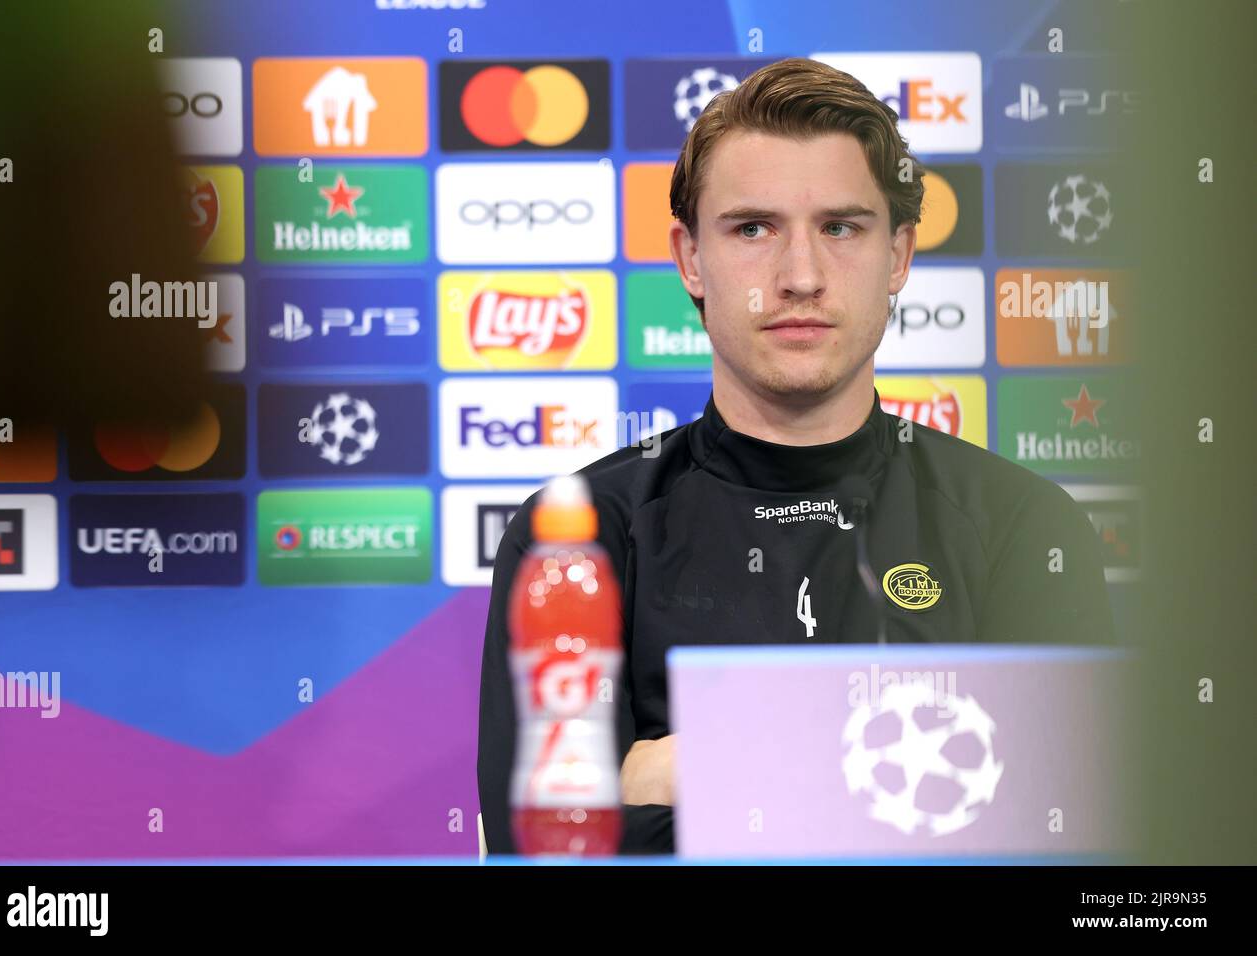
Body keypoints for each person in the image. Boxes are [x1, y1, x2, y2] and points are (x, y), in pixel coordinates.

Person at [477, 57, 1112, 855]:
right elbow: (545, 845)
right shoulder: (577, 534)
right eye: (753, 228)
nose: (801, 277)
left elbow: (1064, 833)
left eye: (841, 228)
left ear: (900, 256)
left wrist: (683, 766)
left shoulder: (1022, 526)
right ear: (690, 260)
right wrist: (911, 781)